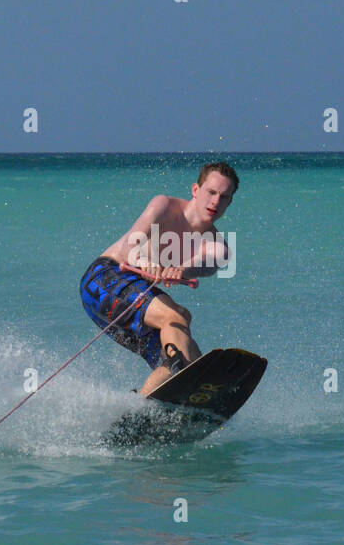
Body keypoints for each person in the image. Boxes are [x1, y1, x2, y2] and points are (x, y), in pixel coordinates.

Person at [79, 162, 238, 396]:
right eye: (211, 192)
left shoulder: (219, 247)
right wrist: (144, 260)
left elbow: (204, 263)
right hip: (103, 280)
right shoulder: (164, 206)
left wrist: (181, 269)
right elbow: (131, 244)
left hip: (130, 301)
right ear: (195, 190)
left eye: (224, 197)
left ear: (229, 202)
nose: (215, 202)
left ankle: (143, 412)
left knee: (184, 355)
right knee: (175, 317)